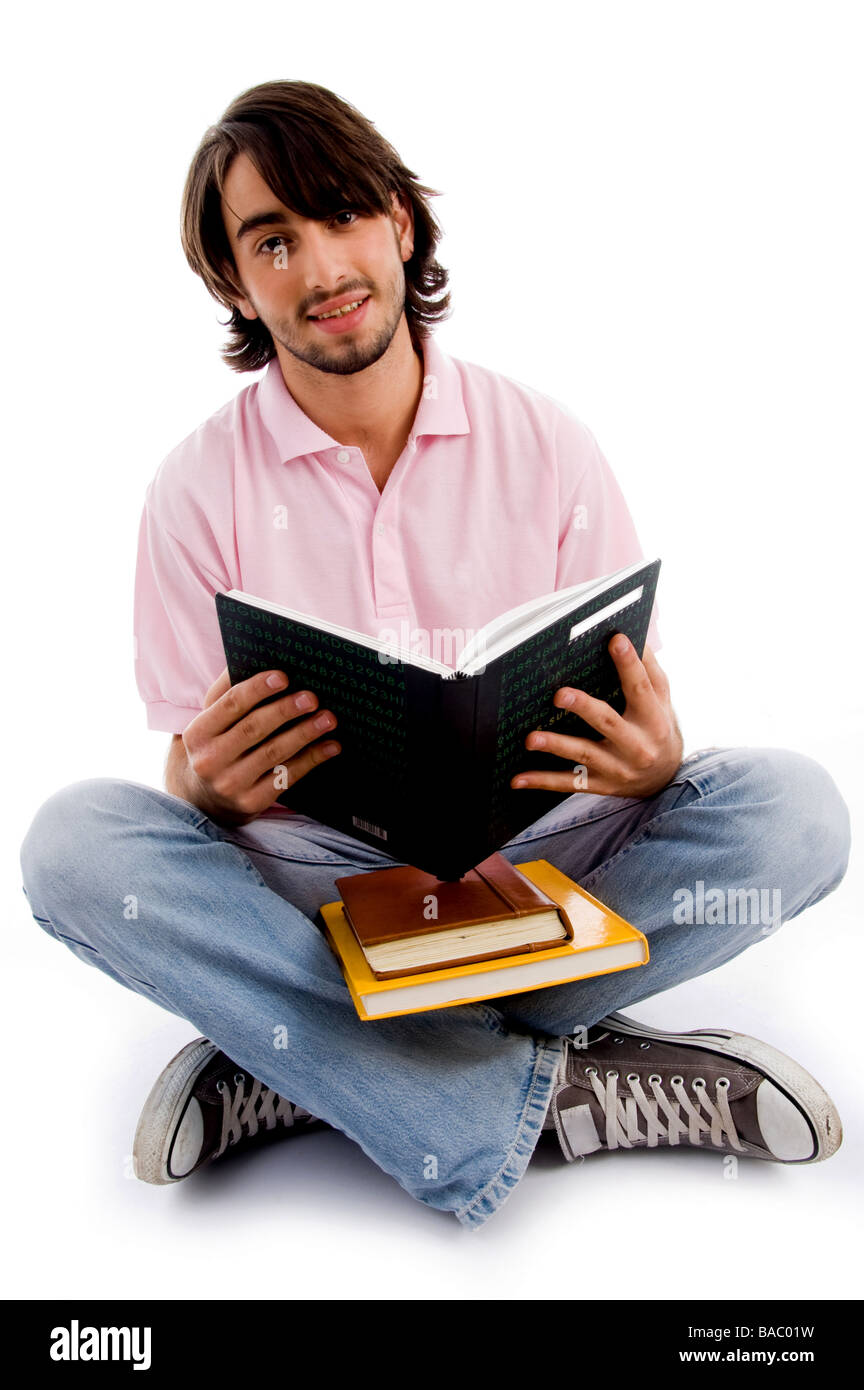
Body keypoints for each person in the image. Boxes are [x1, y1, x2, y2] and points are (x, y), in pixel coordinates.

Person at [19, 80, 851, 1231]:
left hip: (542, 870)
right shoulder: (192, 490)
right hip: (318, 884)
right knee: (71, 847)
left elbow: (629, 721)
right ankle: (542, 1094)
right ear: (234, 283)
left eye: (342, 214)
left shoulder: (547, 444)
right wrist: (200, 785)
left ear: (400, 224)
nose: (320, 269)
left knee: (797, 811)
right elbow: (189, 786)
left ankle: (304, 1060)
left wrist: (655, 768)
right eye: (273, 241)